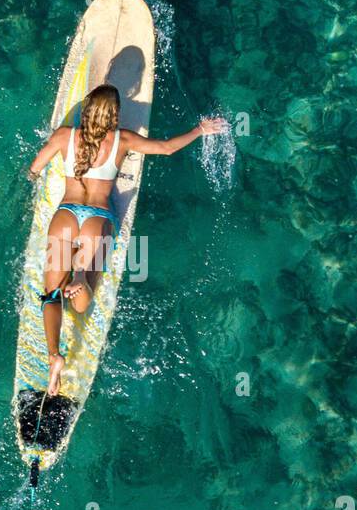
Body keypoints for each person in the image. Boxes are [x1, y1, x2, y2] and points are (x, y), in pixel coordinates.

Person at [27, 83, 229, 394]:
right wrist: (200, 130)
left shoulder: (64, 136)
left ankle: (54, 355)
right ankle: (80, 278)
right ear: (115, 115)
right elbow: (166, 148)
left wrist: (33, 179)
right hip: (97, 219)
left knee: (50, 295)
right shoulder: (122, 140)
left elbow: (34, 169)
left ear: (87, 109)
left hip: (66, 215)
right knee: (81, 303)